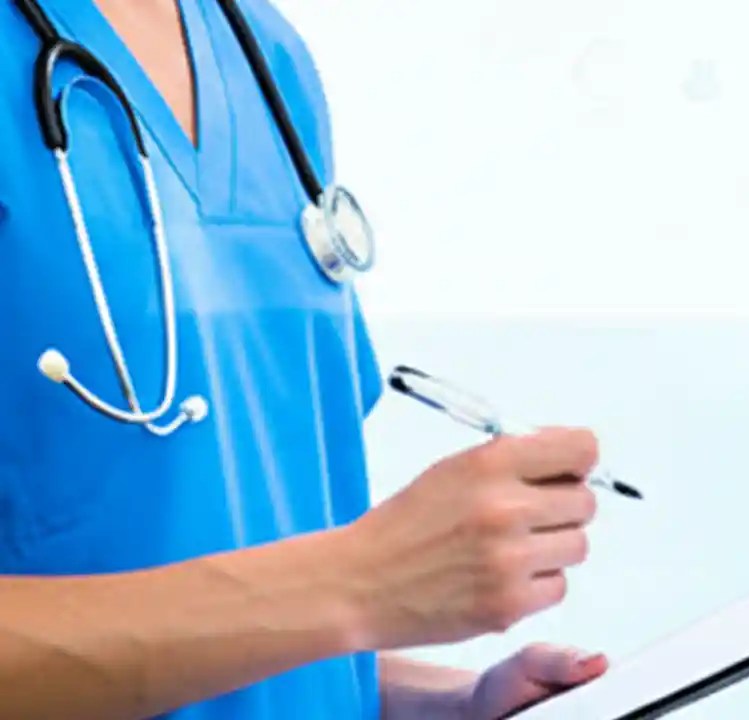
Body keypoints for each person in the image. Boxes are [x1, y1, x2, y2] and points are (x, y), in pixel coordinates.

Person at [0, 0, 608, 718]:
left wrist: (444, 703)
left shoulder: (263, 54)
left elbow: (238, 576)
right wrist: (357, 584)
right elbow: (319, 593)